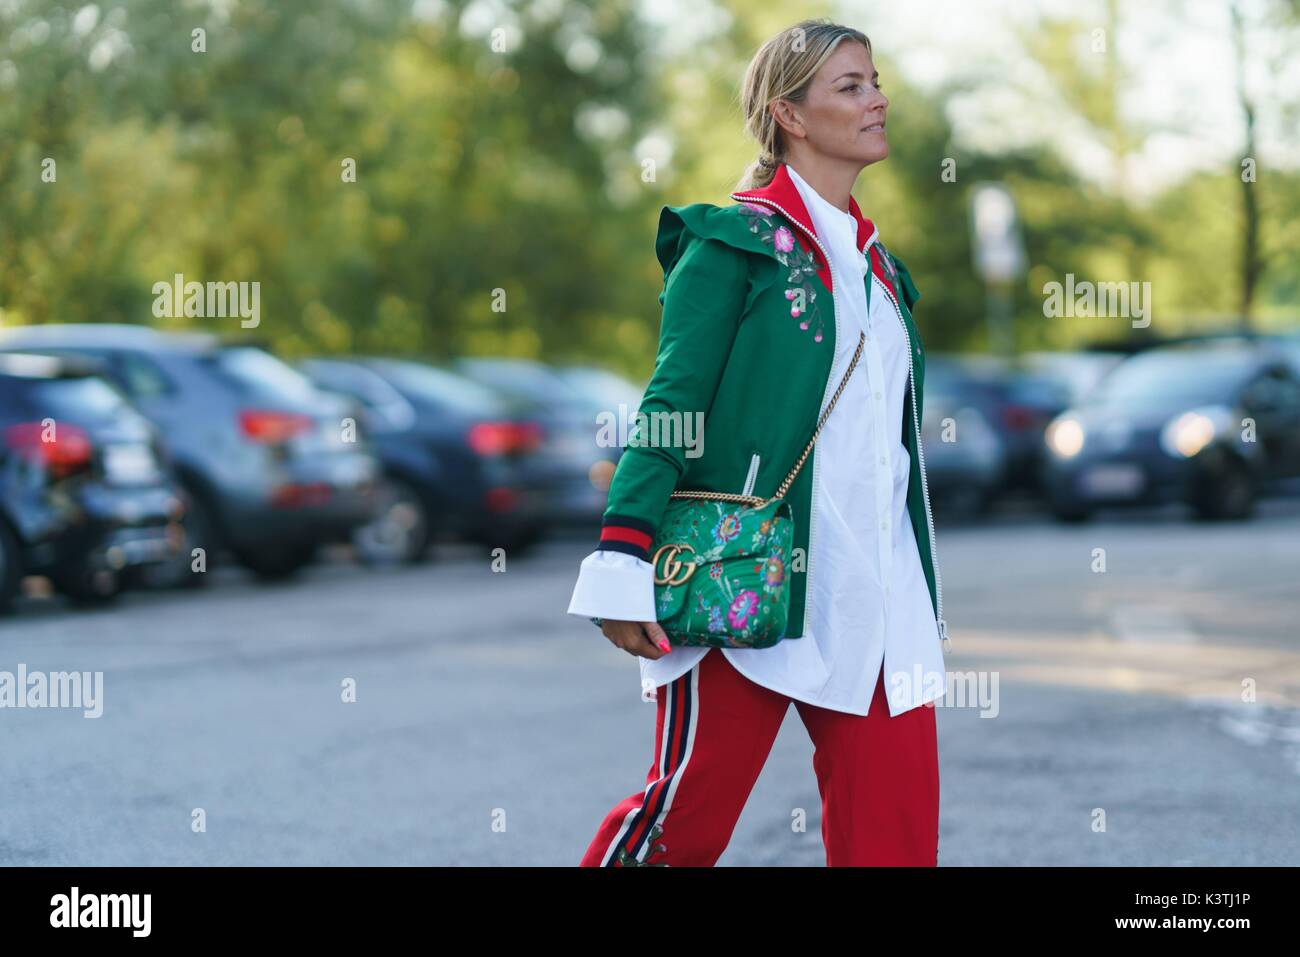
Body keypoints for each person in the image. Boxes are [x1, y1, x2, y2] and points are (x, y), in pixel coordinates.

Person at [567, 18, 951, 867]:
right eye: (851, 86)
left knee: (893, 841)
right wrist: (624, 549)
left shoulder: (882, 271)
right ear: (791, 115)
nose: (878, 98)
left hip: (874, 596)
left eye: (876, 80)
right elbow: (672, 402)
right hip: (748, 575)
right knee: (682, 829)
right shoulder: (730, 246)